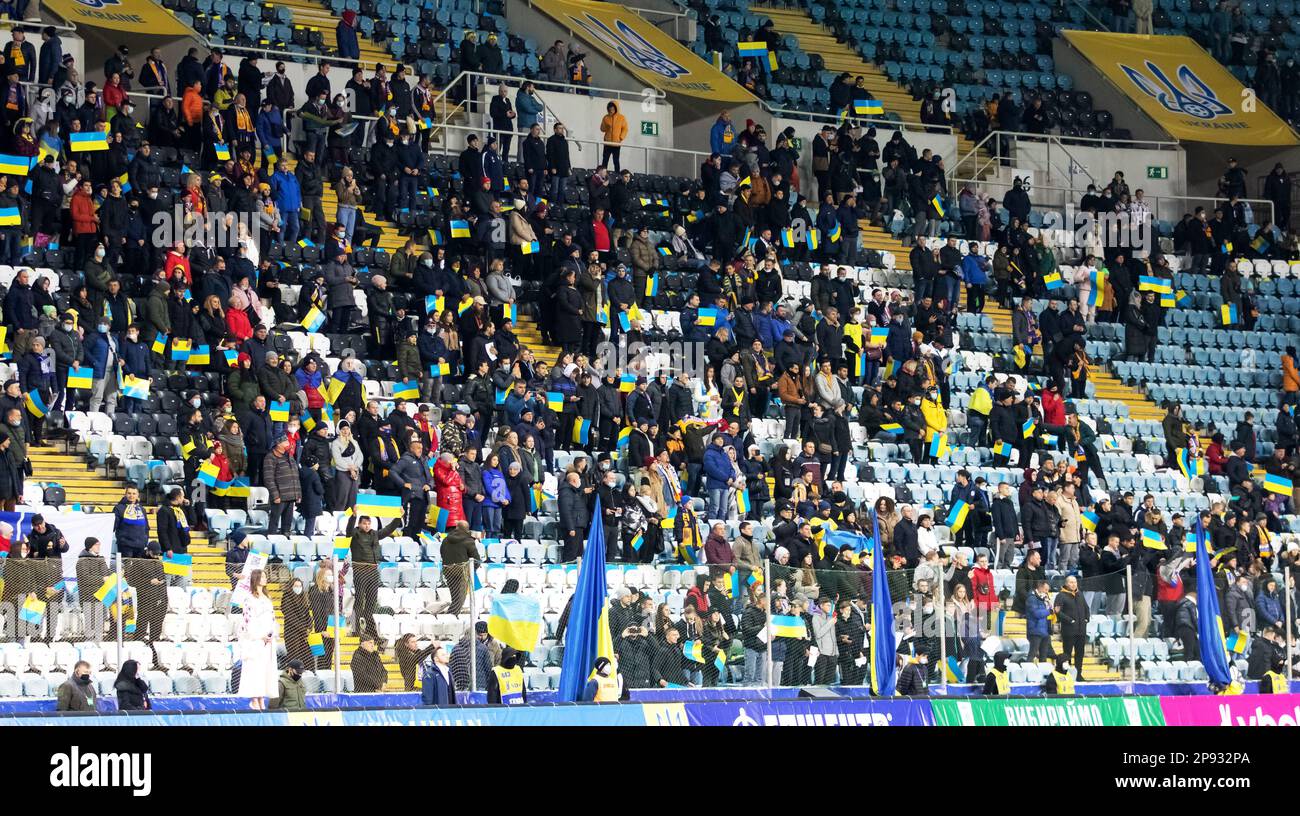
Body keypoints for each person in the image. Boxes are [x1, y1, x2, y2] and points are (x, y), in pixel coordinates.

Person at [237, 569, 277, 710]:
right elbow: (248, 621)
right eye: (263, 576)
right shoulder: (249, 599)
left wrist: (271, 634)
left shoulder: (267, 598)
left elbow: (272, 618)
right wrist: (260, 635)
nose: (265, 579)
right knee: (254, 669)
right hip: (255, 641)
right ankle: (254, 698)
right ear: (256, 579)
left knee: (265, 669)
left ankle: (261, 698)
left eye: (266, 576)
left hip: (267, 641)